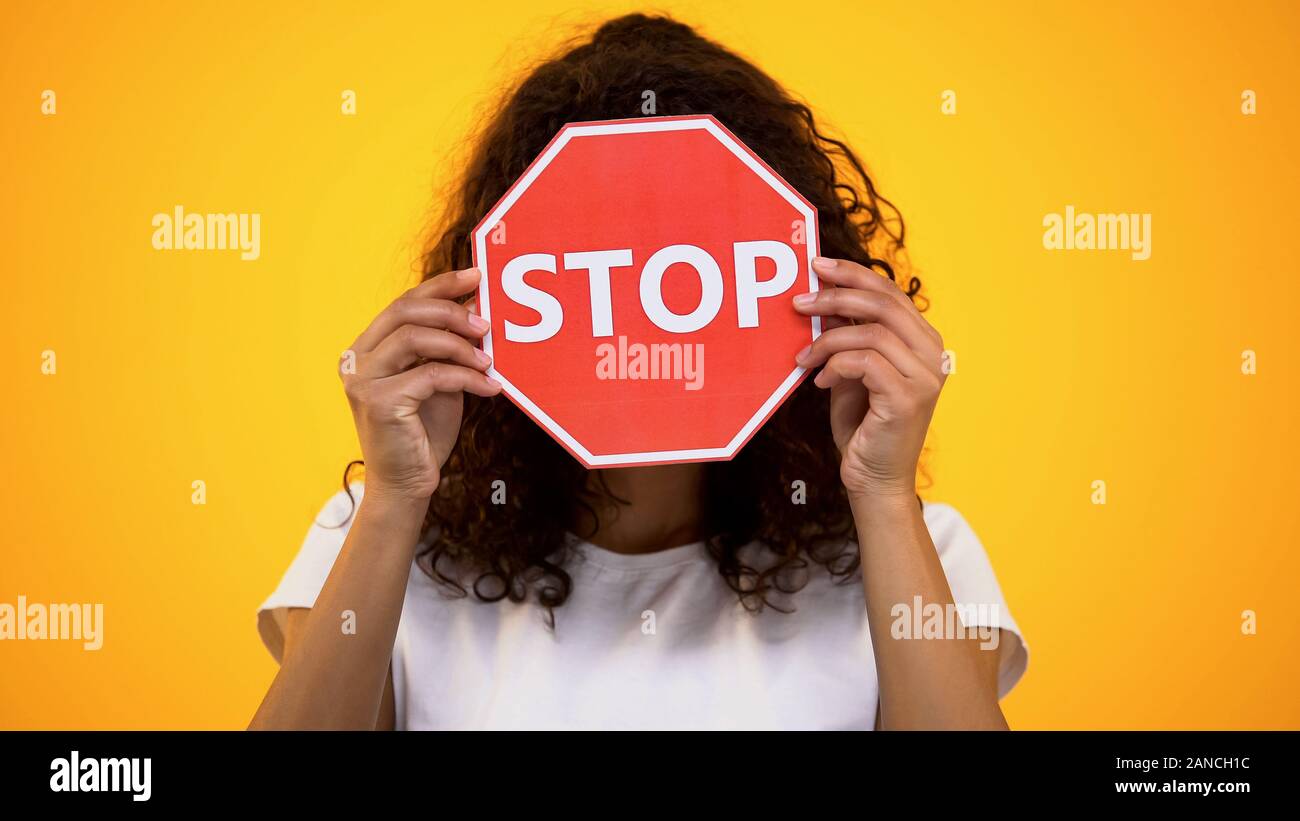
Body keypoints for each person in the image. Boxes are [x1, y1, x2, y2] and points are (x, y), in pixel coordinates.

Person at [250, 13, 1027, 730]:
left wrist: (884, 497)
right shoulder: (379, 537)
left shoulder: (917, 549)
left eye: (686, 257)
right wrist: (393, 502)